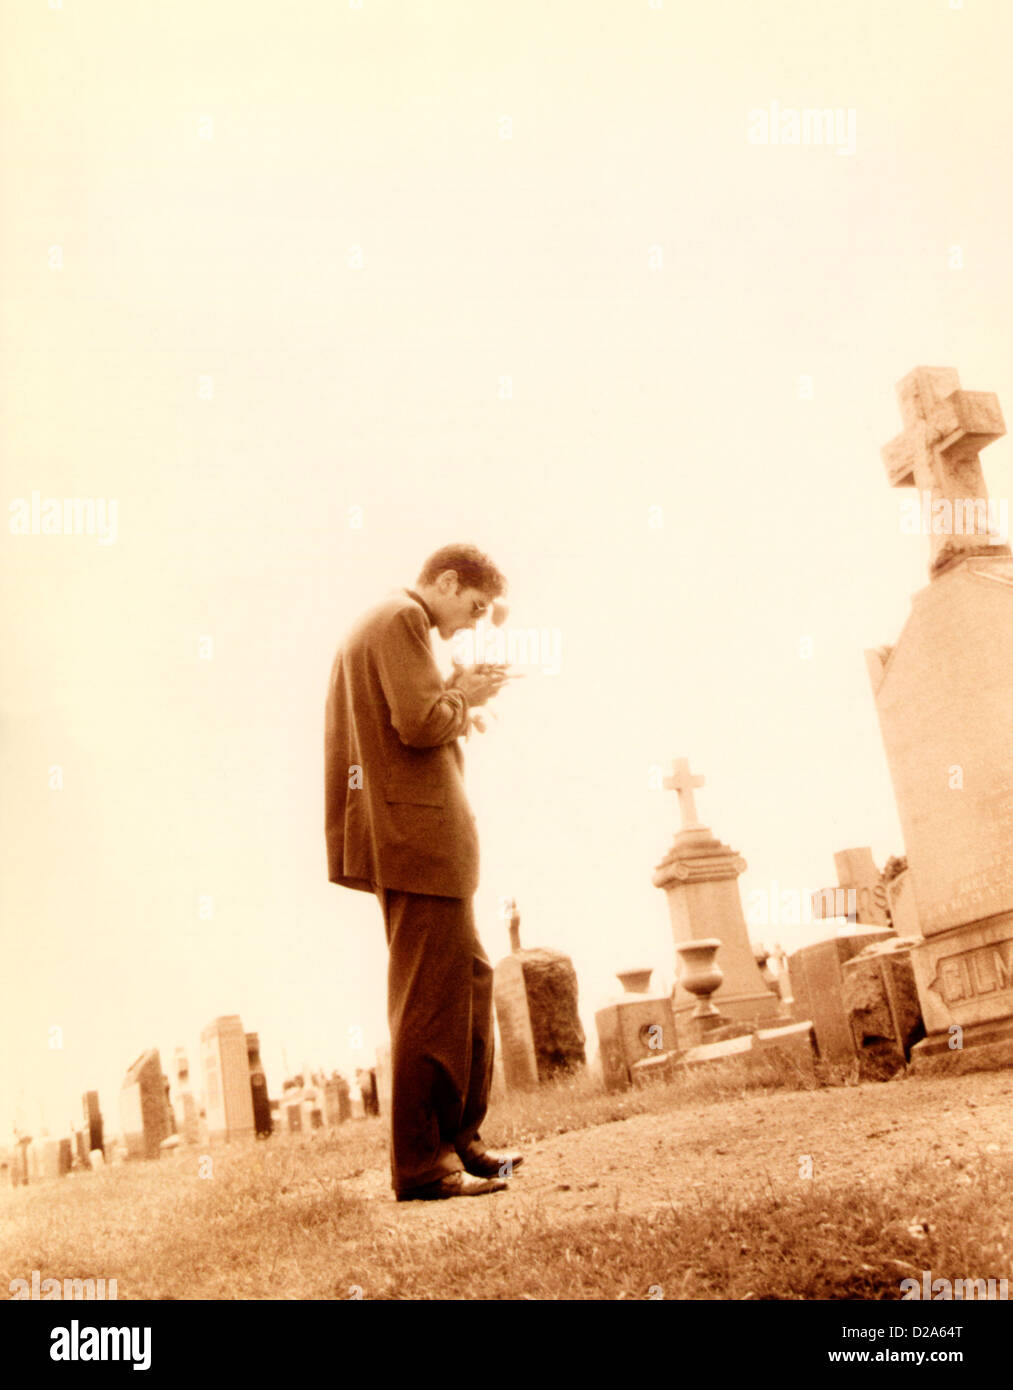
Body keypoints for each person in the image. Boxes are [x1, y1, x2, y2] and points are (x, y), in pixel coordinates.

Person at [324, 543, 523, 1200]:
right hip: (417, 840)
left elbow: (409, 721)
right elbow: (416, 723)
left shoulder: (383, 622)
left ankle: (458, 1139)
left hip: (418, 839)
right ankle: (422, 1168)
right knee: (428, 1001)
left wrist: (457, 698)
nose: (469, 624)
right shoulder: (400, 619)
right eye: (472, 608)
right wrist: (461, 698)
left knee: (466, 980)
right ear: (444, 582)